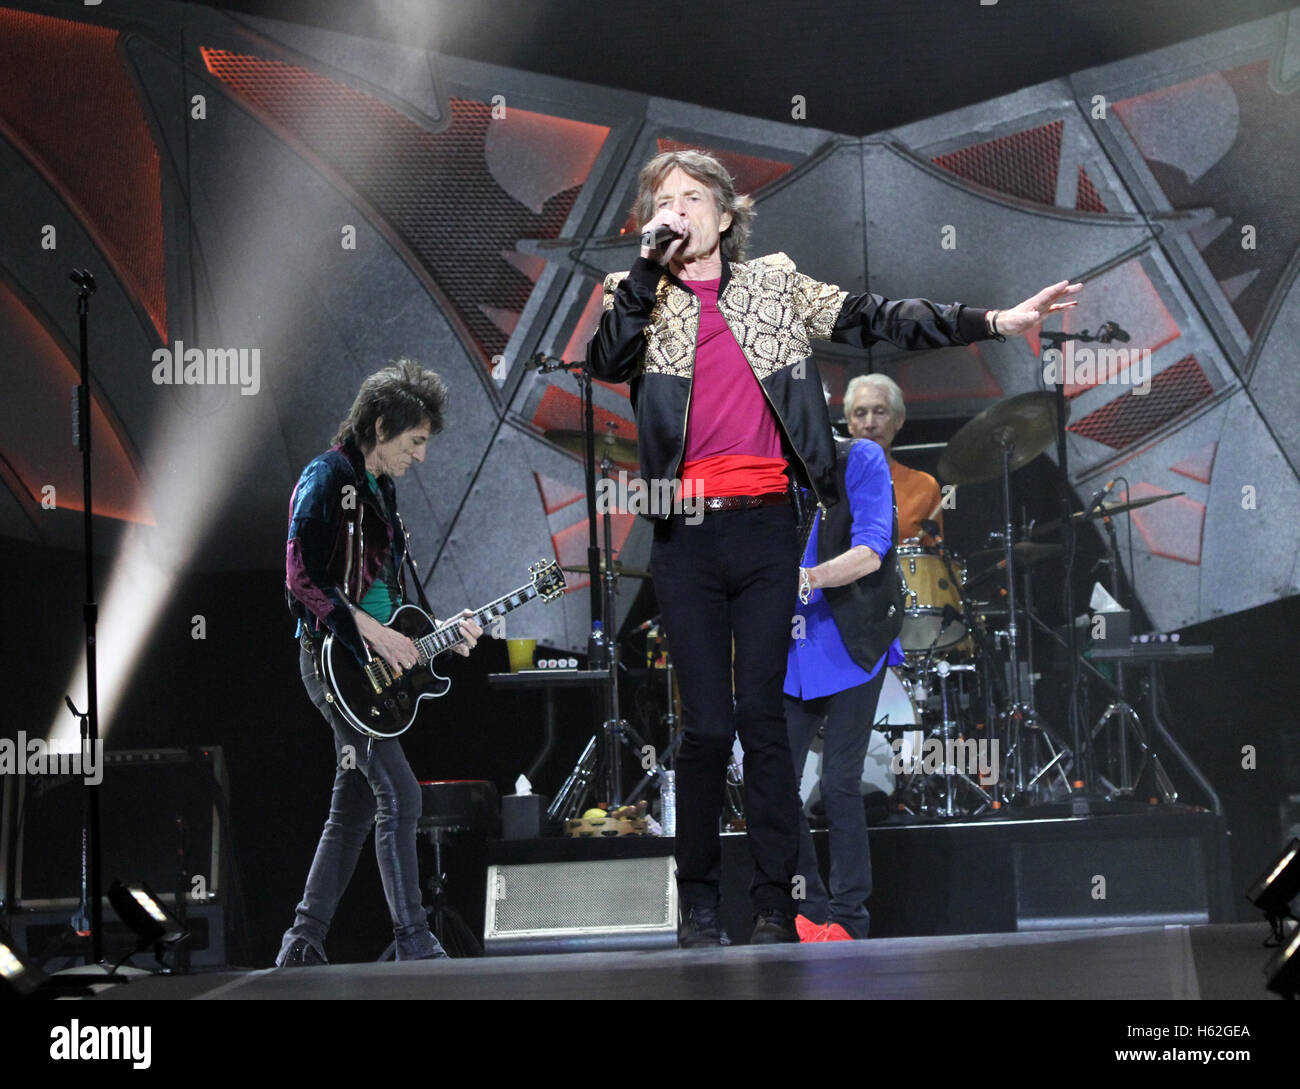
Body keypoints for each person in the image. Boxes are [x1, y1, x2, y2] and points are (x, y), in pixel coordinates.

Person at [587, 148, 1079, 947]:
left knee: (762, 720)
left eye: (691, 198)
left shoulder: (774, 286)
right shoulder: (635, 293)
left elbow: (879, 318)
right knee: (707, 729)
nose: (675, 210)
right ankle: (700, 905)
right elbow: (606, 361)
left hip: (767, 528)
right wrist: (646, 269)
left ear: (724, 214)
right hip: (685, 532)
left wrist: (992, 321)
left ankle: (774, 905)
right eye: (663, 200)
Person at [276, 360, 482, 966]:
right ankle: (413, 940)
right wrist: (371, 634)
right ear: (381, 426)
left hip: (370, 668)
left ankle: (302, 941)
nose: (421, 456)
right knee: (401, 795)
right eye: (414, 441)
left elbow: (387, 595)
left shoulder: (380, 488)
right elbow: (300, 577)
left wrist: (439, 636)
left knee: (354, 807)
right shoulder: (325, 477)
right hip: (335, 663)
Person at [784, 432, 903, 941]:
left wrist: (806, 579)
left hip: (853, 642)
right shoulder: (770, 472)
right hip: (794, 648)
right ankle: (809, 907)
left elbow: (872, 550)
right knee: (774, 783)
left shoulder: (859, 456)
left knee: (838, 782)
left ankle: (849, 916)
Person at [844, 372, 941, 544]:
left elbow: (933, 558)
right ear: (850, 425)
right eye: (860, 413)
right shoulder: (830, 485)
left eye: (880, 412)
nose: (869, 424)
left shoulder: (924, 486)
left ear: (899, 420)